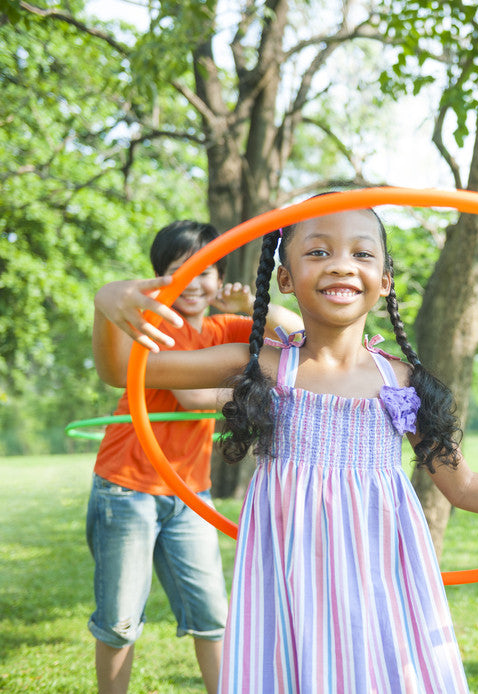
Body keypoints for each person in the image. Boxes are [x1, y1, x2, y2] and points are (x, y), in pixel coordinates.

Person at [91, 203, 478, 694]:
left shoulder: (401, 383)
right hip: (291, 586)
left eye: (361, 253)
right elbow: (122, 371)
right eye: (318, 252)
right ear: (285, 277)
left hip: (380, 588)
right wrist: (106, 301)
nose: (340, 265)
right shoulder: (259, 366)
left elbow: (466, 486)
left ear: (384, 279)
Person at [87, 220, 302, 694]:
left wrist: (254, 307)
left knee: (212, 617)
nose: (192, 281)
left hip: (188, 492)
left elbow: (300, 336)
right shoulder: (155, 326)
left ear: (219, 277)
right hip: (126, 486)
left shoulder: (227, 328)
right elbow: (193, 398)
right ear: (158, 279)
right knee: (120, 621)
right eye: (177, 270)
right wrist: (256, 394)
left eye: (203, 270)